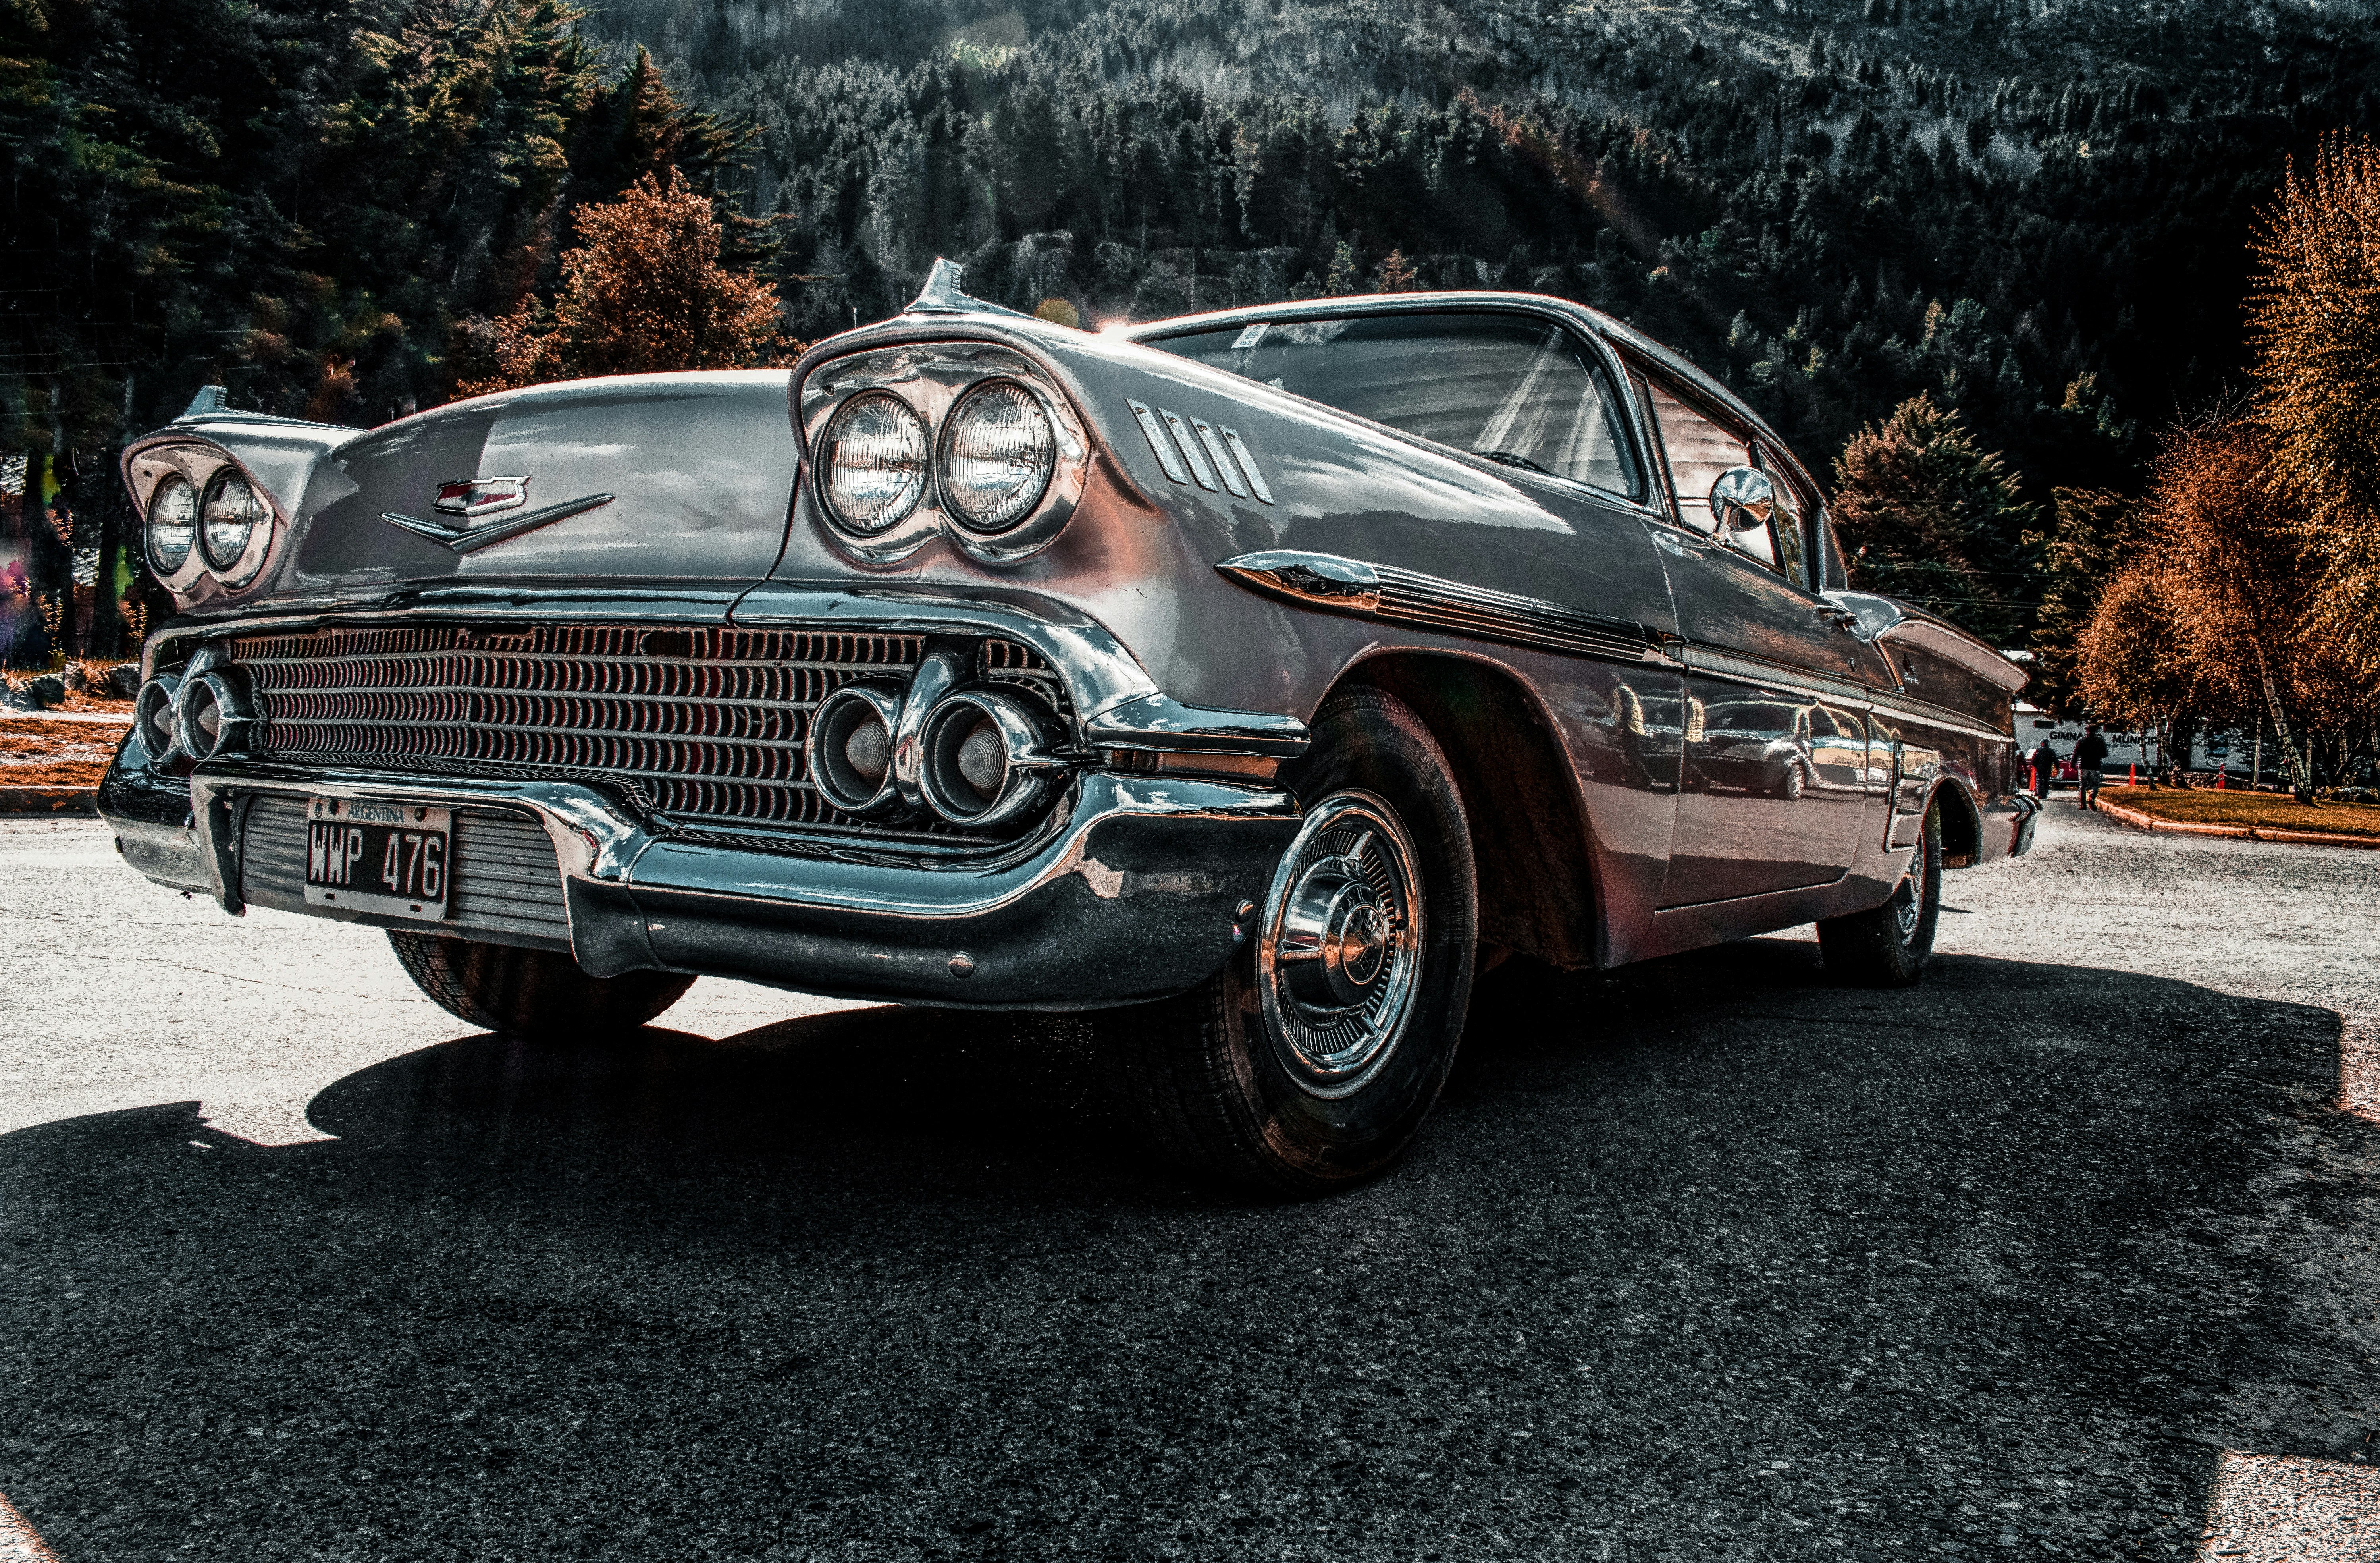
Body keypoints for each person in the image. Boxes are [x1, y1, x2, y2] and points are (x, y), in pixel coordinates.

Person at [2075, 724, 2110, 810]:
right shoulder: (2100, 741)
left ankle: (2083, 805)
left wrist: (2072, 764)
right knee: (2095, 784)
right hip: (2095, 766)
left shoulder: (2082, 740)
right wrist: (2097, 755)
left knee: (2083, 786)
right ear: (2096, 731)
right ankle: (2092, 798)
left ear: (2087, 730)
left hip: (2084, 766)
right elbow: (2105, 754)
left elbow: (2076, 753)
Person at [2029, 735, 2060, 800]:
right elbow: (2055, 760)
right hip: (2048, 769)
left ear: (2043, 744)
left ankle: (2040, 794)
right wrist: (2057, 767)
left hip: (2039, 769)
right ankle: (2044, 795)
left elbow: (2034, 761)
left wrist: (2036, 767)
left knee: (2039, 781)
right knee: (2046, 782)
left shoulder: (2038, 751)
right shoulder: (2051, 751)